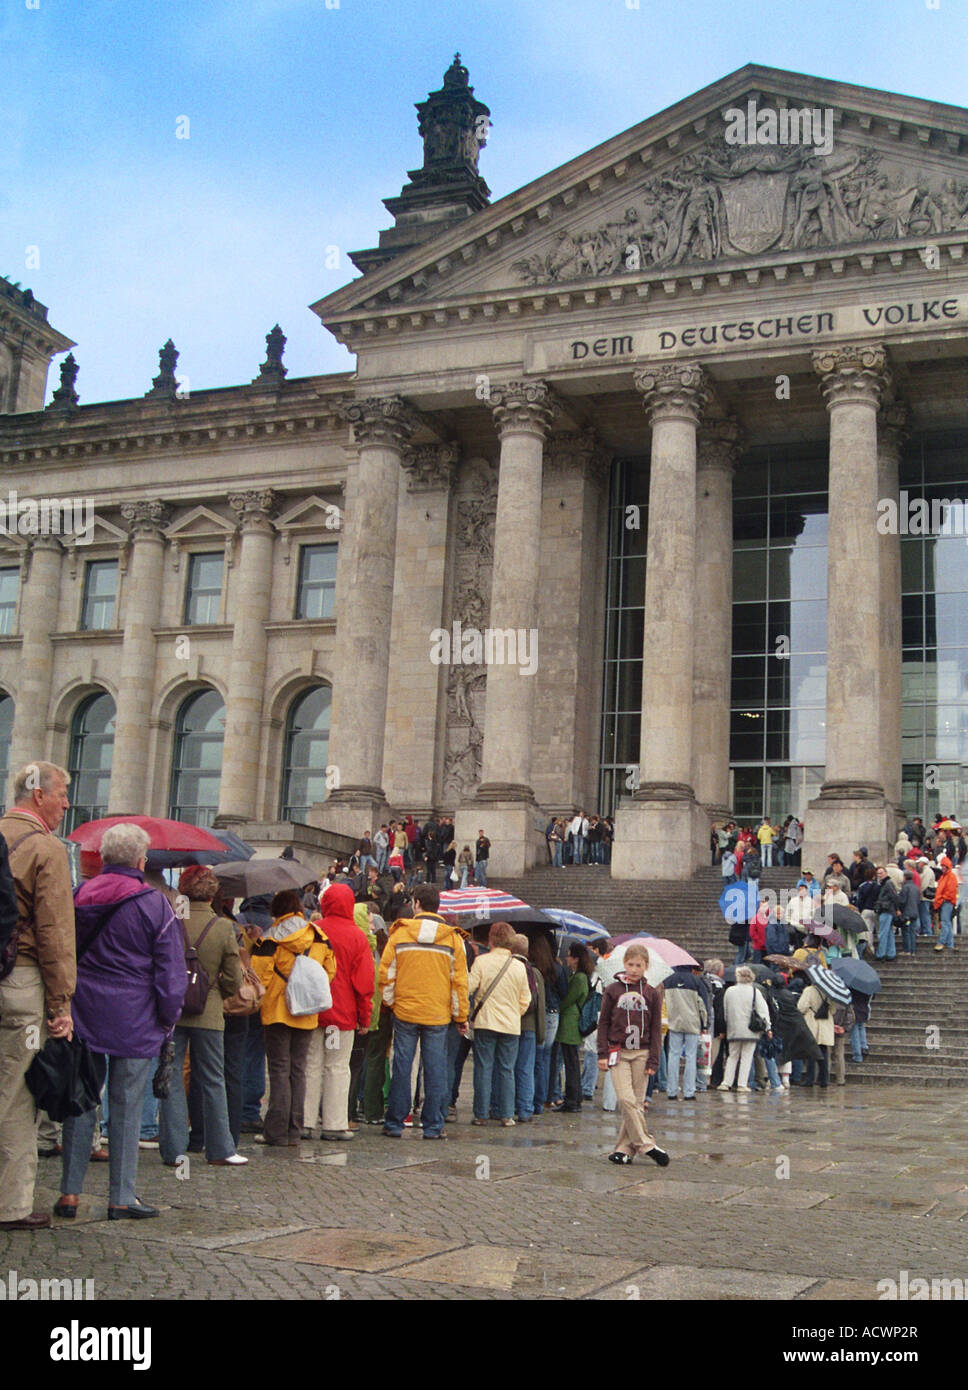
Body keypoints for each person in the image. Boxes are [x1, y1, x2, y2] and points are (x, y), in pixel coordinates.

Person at [58, 824, 185, 1221]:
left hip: (83, 1010)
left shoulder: (78, 895)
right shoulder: (154, 904)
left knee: (80, 1100)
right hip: (135, 1015)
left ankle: (69, 1193)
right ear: (140, 861)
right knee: (127, 1106)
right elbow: (170, 972)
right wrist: (168, 1018)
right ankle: (121, 1196)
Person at [0, 762, 74, 1231]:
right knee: (15, 1096)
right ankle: (10, 1204)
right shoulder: (45, 848)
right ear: (38, 795)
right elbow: (55, 931)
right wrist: (62, 1003)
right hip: (22, 981)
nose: (67, 802)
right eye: (63, 793)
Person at [158, 867, 247, 1167]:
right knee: (212, 1079)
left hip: (172, 1009)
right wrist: (215, 990)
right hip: (209, 1012)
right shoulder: (223, 928)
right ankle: (220, 1148)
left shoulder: (171, 920)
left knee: (170, 1077)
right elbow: (235, 977)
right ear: (213, 894)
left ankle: (172, 1150)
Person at [379, 884, 469, 1139]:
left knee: (402, 1067)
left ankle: (395, 1122)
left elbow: (386, 975)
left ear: (416, 903)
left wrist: (391, 1003)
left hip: (406, 1011)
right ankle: (433, 1125)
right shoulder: (453, 939)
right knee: (435, 1068)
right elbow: (460, 983)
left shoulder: (400, 934)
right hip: (437, 1015)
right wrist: (461, 1016)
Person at [248, 889, 337, 1147]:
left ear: (276, 910)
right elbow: (329, 971)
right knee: (299, 1070)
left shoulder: (271, 938)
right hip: (307, 1012)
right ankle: (294, 1131)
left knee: (279, 1069)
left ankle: (274, 1132)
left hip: (277, 1011)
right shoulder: (319, 936)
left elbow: (259, 975)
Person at [303, 883, 374, 1141]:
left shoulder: (313, 930)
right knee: (337, 1067)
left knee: (311, 1065)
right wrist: (364, 1017)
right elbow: (364, 983)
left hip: (312, 1012)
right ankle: (334, 1124)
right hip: (341, 1016)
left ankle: (305, 1121)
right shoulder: (358, 937)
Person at [596, 943, 668, 1166]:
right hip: (618, 1051)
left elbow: (656, 1028)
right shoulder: (612, 990)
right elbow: (604, 1022)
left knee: (636, 1103)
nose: (634, 969)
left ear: (646, 966)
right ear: (624, 964)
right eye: (630, 964)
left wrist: (654, 1059)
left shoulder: (652, 993)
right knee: (625, 1099)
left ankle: (624, 1149)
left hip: (642, 1052)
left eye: (638, 965)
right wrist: (602, 1052)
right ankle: (647, 1144)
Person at [467, 922, 532, 1127]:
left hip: (485, 1021)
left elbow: (469, 987)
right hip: (511, 1025)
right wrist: (515, 1014)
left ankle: (481, 1114)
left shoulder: (481, 961)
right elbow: (526, 999)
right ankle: (506, 1114)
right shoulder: (519, 966)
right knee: (507, 1069)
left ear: (491, 939)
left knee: (483, 1068)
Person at [551, 943, 592, 1112]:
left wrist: (558, 1005)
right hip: (572, 1021)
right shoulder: (580, 976)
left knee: (571, 1062)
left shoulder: (579, 977)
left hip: (570, 1022)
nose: (567, 958)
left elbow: (569, 998)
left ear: (576, 959)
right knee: (571, 1062)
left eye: (569, 955)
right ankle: (574, 1097)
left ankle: (572, 1099)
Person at [531, 933, 568, 1113]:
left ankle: (532, 1097)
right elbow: (563, 991)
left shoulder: (531, 966)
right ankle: (545, 1097)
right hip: (553, 1013)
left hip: (535, 1015)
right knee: (547, 1057)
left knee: (534, 1057)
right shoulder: (556, 967)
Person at [719, 965, 771, 1092]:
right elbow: (763, 1011)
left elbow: (725, 1011)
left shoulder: (729, 991)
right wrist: (768, 1027)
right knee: (747, 1057)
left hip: (734, 1029)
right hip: (750, 1030)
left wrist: (727, 1026)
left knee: (732, 1056)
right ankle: (742, 1084)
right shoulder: (755, 991)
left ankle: (726, 1082)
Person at [510, 933, 544, 1122]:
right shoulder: (535, 972)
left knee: (507, 1068)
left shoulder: (509, 968)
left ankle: (506, 1105)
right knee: (526, 1068)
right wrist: (541, 1033)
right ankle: (525, 1108)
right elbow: (540, 1005)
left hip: (511, 1023)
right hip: (530, 1026)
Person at [663, 963, 707, 1101]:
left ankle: (671, 1090)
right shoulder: (696, 981)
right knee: (691, 1056)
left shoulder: (668, 979)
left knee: (673, 1054)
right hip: (692, 1023)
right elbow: (703, 1005)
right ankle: (689, 1091)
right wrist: (704, 1024)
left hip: (674, 1021)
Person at [797, 974, 835, 1087]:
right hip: (825, 1023)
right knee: (823, 1052)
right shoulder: (830, 992)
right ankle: (824, 1079)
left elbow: (801, 1007)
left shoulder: (809, 990)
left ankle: (810, 1079)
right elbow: (833, 1010)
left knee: (811, 1053)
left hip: (812, 1022)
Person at [873, 865, 899, 961]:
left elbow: (895, 896)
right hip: (888, 910)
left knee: (883, 932)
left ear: (886, 873)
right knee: (888, 933)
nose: (879, 875)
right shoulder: (886, 883)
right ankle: (891, 953)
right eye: (878, 873)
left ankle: (881, 953)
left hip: (886, 910)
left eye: (881, 873)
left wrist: (897, 908)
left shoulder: (887, 884)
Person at [934, 854, 959, 954]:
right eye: (942, 866)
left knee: (945, 923)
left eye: (944, 866)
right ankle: (950, 944)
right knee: (947, 923)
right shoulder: (945, 877)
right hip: (945, 902)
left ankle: (941, 942)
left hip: (946, 902)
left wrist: (943, 899)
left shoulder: (950, 877)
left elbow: (950, 891)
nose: (942, 868)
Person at [897, 869, 921, 957]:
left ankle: (907, 950)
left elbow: (902, 901)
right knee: (912, 931)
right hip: (914, 912)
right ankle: (913, 950)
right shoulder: (916, 887)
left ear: (904, 877)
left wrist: (899, 909)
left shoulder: (905, 887)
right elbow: (918, 901)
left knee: (906, 931)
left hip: (906, 913)